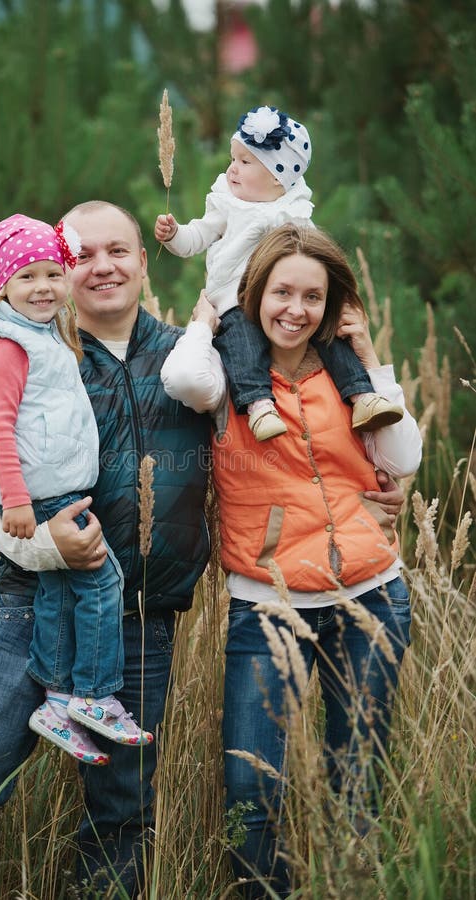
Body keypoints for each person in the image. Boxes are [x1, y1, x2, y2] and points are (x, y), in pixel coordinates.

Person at [0, 204, 405, 900]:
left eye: (119, 250)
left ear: (143, 260)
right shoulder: (39, 354)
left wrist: (370, 487)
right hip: (31, 604)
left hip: (141, 620)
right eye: (84, 254)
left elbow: (295, 427)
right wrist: (43, 546)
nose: (104, 266)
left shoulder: (199, 356)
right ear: (61, 271)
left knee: (120, 816)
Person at [160, 223, 422, 897]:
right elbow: (182, 378)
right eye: (281, 292)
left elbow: (400, 460)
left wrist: (367, 351)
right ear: (256, 293)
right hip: (267, 599)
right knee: (251, 784)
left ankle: (350, 886)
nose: (295, 310)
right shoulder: (225, 369)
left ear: (331, 304)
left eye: (312, 296)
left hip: (370, 595)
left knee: (356, 773)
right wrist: (200, 320)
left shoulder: (344, 371)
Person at [0, 212, 151, 766]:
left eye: (50, 273)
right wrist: (20, 506)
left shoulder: (46, 337)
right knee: (101, 579)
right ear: (4, 286)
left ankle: (60, 701)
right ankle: (92, 695)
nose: (42, 286)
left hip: (54, 491)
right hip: (45, 500)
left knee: (66, 593)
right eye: (27, 277)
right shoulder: (11, 344)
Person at [155, 105, 403, 441]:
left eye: (244, 162)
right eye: (232, 159)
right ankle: (259, 406)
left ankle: (362, 396)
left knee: (330, 337)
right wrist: (175, 235)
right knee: (242, 344)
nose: (232, 170)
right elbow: (197, 236)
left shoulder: (295, 211)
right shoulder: (227, 203)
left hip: (289, 299)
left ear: (276, 176)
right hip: (235, 298)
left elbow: (316, 258)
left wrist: (328, 298)